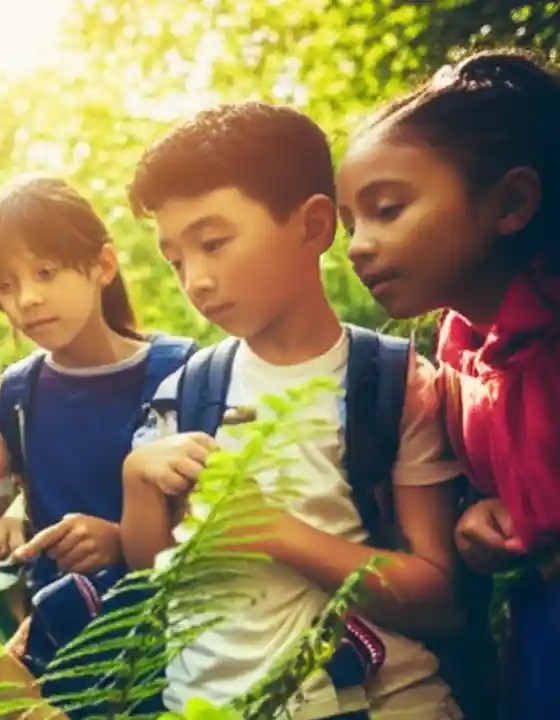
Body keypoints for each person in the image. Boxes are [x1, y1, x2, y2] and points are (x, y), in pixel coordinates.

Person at [122, 102, 463, 718]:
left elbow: (438, 597)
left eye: (213, 243)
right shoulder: (189, 391)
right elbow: (155, 574)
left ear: (312, 226)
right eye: (176, 260)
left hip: (374, 700)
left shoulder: (393, 381)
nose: (195, 280)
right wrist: (138, 482)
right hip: (208, 704)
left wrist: (274, 533)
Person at [337, 50, 560, 720]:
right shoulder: (455, 352)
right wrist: (481, 519)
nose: (357, 246)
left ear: (511, 202)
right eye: (351, 224)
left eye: (387, 209)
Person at [0, 176, 195, 683]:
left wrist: (120, 539)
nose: (27, 298)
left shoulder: (181, 372)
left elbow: (217, 522)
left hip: (167, 648)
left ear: (103, 266)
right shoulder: (18, 394)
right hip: (61, 650)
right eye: (6, 285)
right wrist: (10, 519)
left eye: (46, 272)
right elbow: (14, 496)